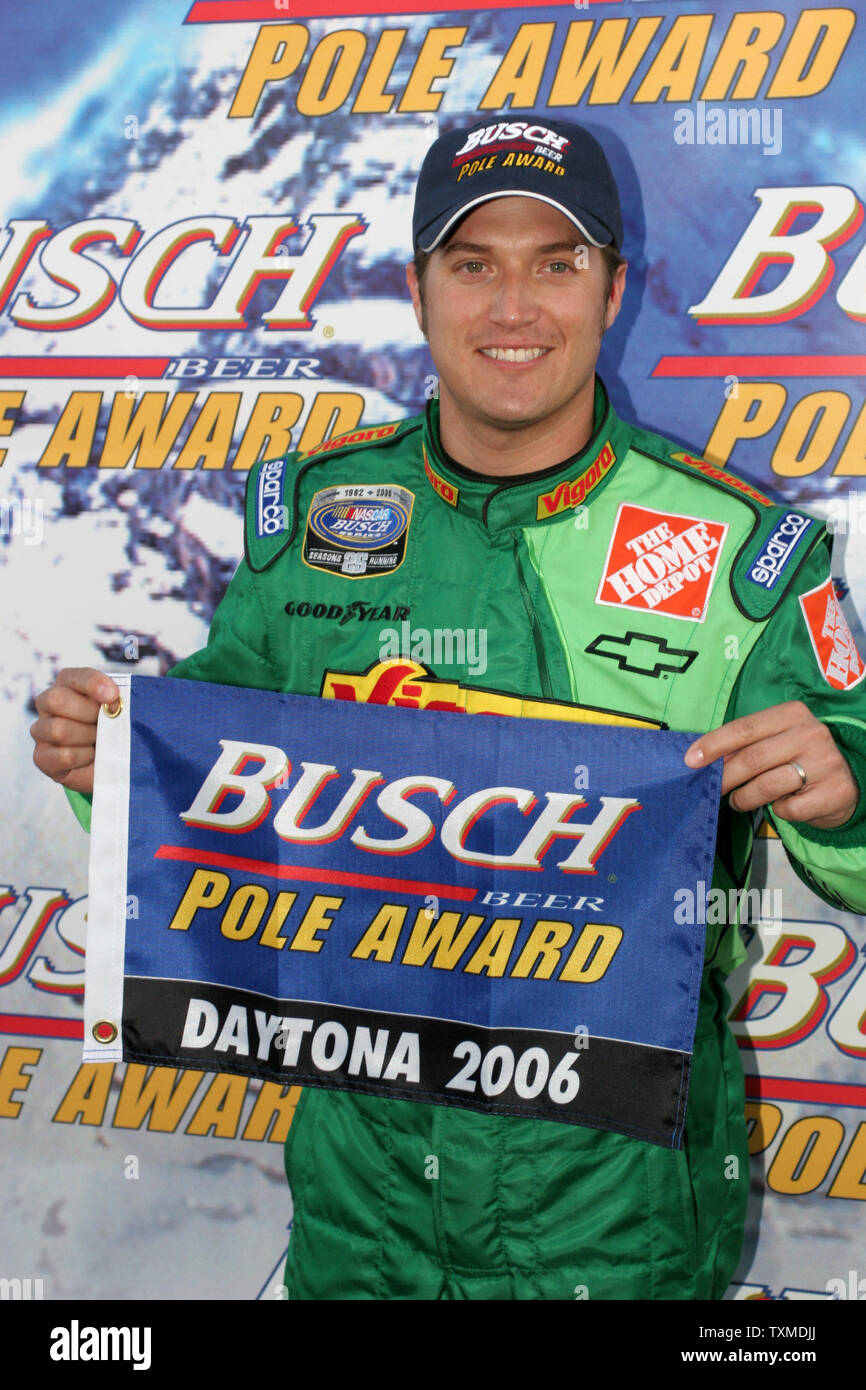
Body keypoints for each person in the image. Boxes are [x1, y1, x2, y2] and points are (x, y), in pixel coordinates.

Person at [30, 117, 866, 1300]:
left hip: (615, 1236)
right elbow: (210, 783)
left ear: (613, 290)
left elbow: (862, 846)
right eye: (472, 263)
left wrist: (842, 790)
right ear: (419, 291)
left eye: (554, 262)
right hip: (361, 1228)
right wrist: (101, 758)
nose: (511, 306)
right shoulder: (316, 519)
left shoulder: (741, 554)